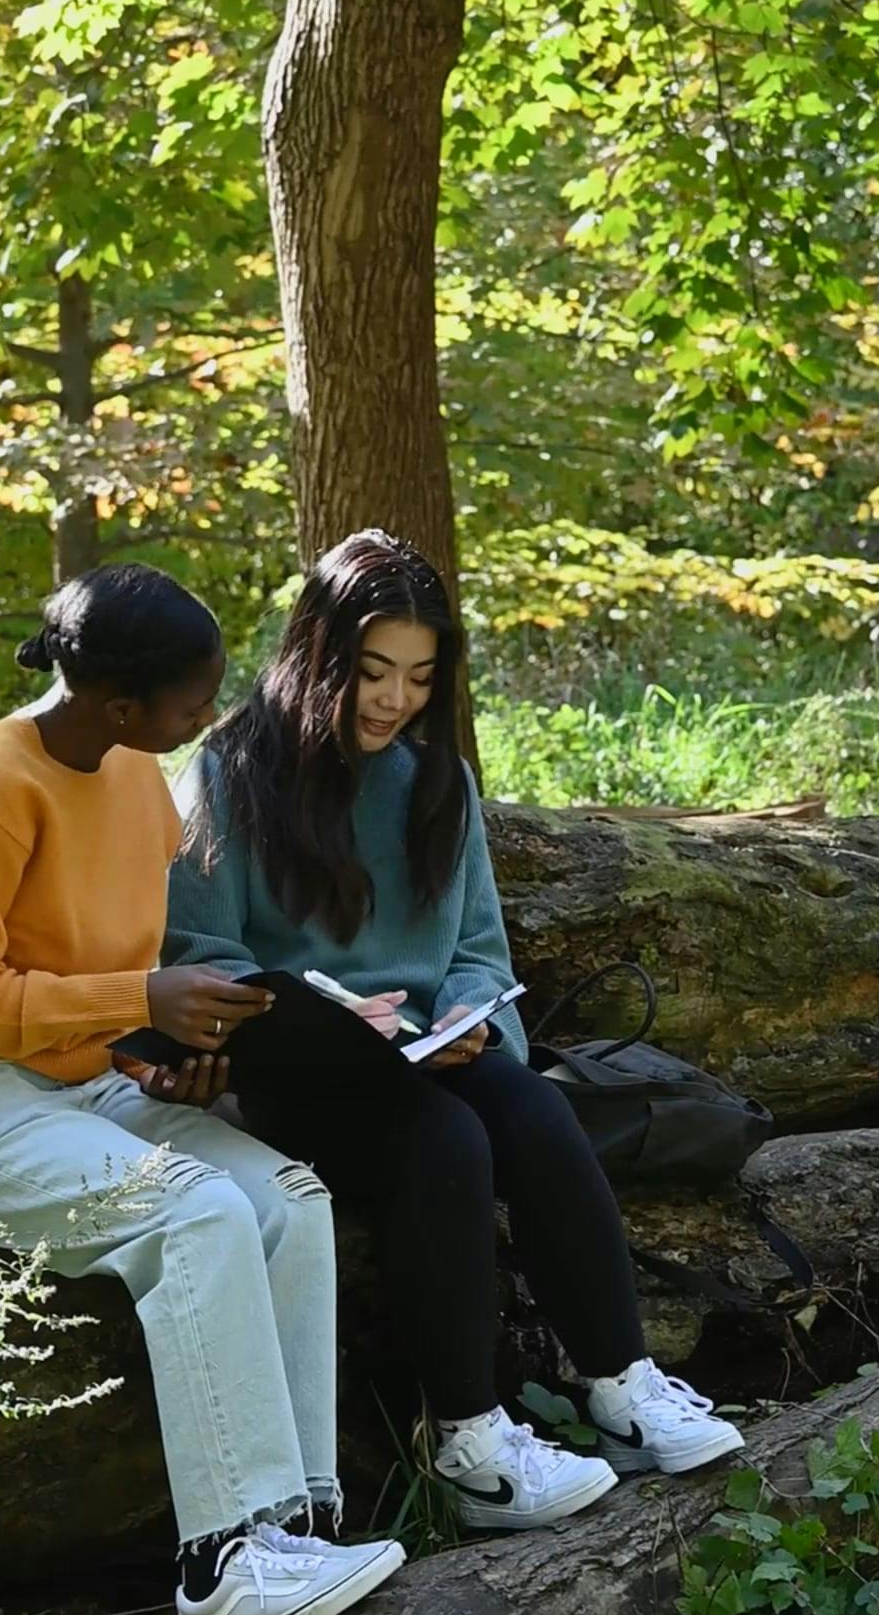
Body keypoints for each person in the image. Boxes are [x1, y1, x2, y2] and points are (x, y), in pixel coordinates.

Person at [0, 562, 405, 1615]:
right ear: (116, 704)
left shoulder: (136, 779)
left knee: (288, 1198)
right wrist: (135, 1003)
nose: (212, 714)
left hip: (85, 1083)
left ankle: (302, 1519)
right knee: (196, 1210)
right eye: (194, 698)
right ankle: (227, 1565)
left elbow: (106, 976)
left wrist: (161, 1051)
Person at [163, 530, 745, 1533]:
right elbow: (201, 952)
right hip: (302, 1074)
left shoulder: (439, 784)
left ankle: (622, 1387)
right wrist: (304, 1014)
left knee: (522, 1102)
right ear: (319, 654)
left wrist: (461, 1023)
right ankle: (470, 1444)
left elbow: (481, 954)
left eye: (421, 679)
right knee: (445, 1136)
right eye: (374, 672)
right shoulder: (229, 776)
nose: (394, 700)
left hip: (428, 1058)